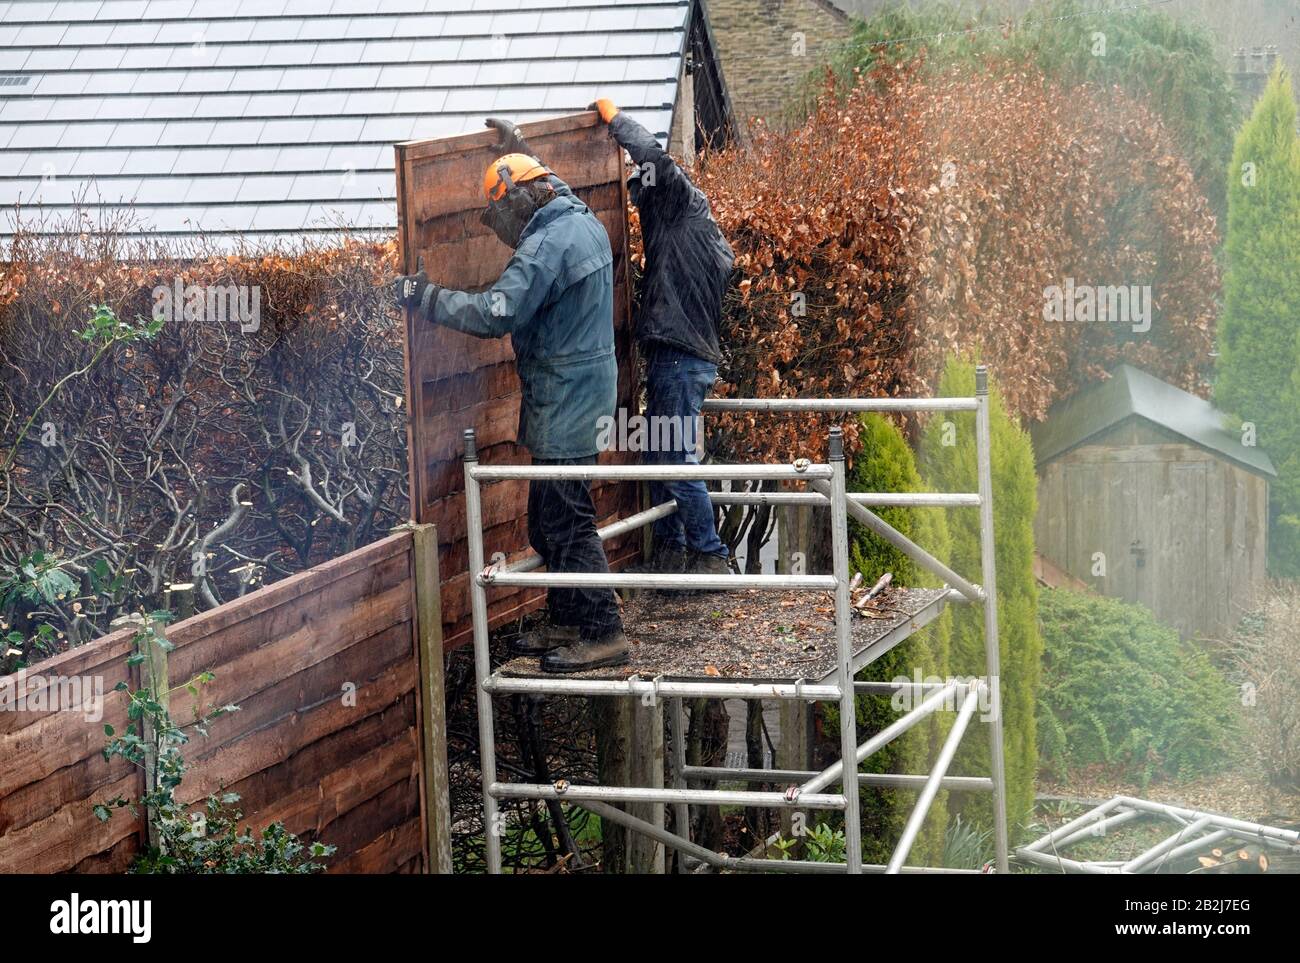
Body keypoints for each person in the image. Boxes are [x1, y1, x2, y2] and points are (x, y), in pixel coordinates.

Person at [393, 150, 626, 673]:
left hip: (566, 398)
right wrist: (515, 143)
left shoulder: (547, 246)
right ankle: (569, 617)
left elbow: (495, 312)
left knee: (567, 522)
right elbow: (536, 177)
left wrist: (424, 296)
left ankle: (604, 631)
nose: (505, 229)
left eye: (503, 214)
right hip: (581, 393)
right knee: (547, 522)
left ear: (522, 198)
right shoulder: (577, 216)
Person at [486, 104, 737, 582]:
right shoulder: (698, 232)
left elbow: (653, 158)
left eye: (641, 195)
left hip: (679, 358)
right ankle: (673, 547)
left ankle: (710, 553)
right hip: (683, 357)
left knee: (676, 455)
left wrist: (617, 118)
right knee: (661, 454)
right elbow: (555, 197)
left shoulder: (681, 206)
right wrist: (519, 146)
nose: (638, 205)